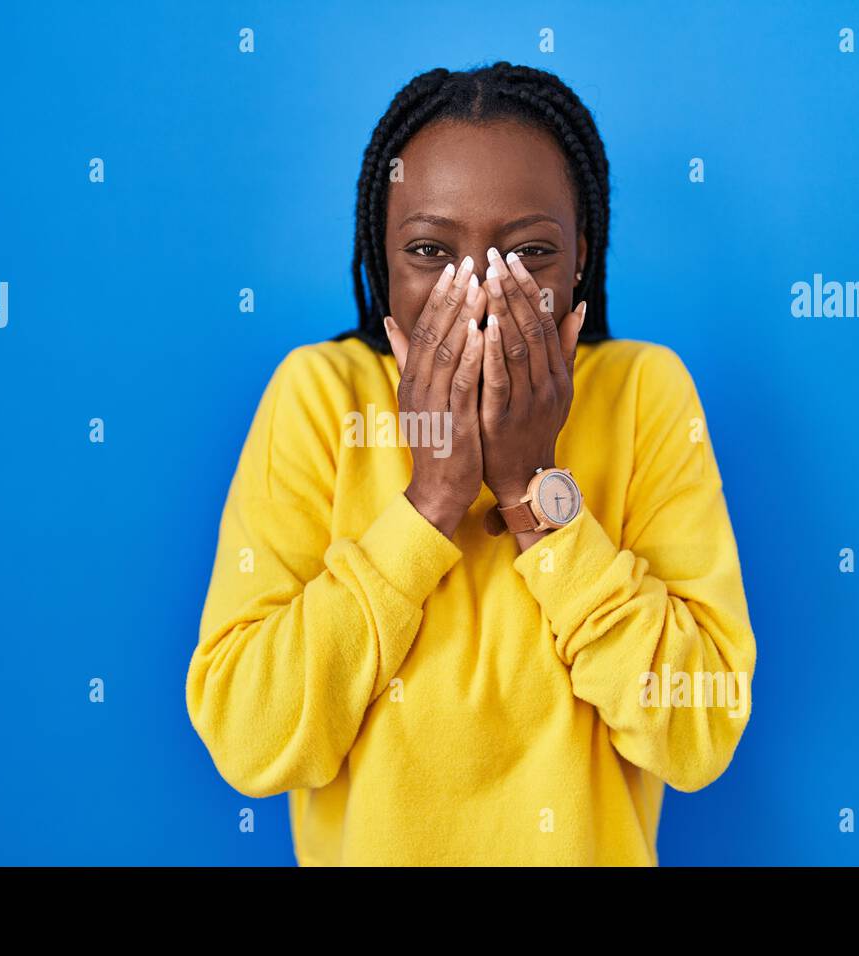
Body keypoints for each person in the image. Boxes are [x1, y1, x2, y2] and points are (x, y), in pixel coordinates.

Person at [186, 62, 756, 865]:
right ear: (381, 258)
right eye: (429, 249)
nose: (485, 293)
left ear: (581, 258)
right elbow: (251, 740)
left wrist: (533, 492)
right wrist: (430, 502)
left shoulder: (644, 394)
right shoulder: (318, 397)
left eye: (528, 252)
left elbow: (698, 733)